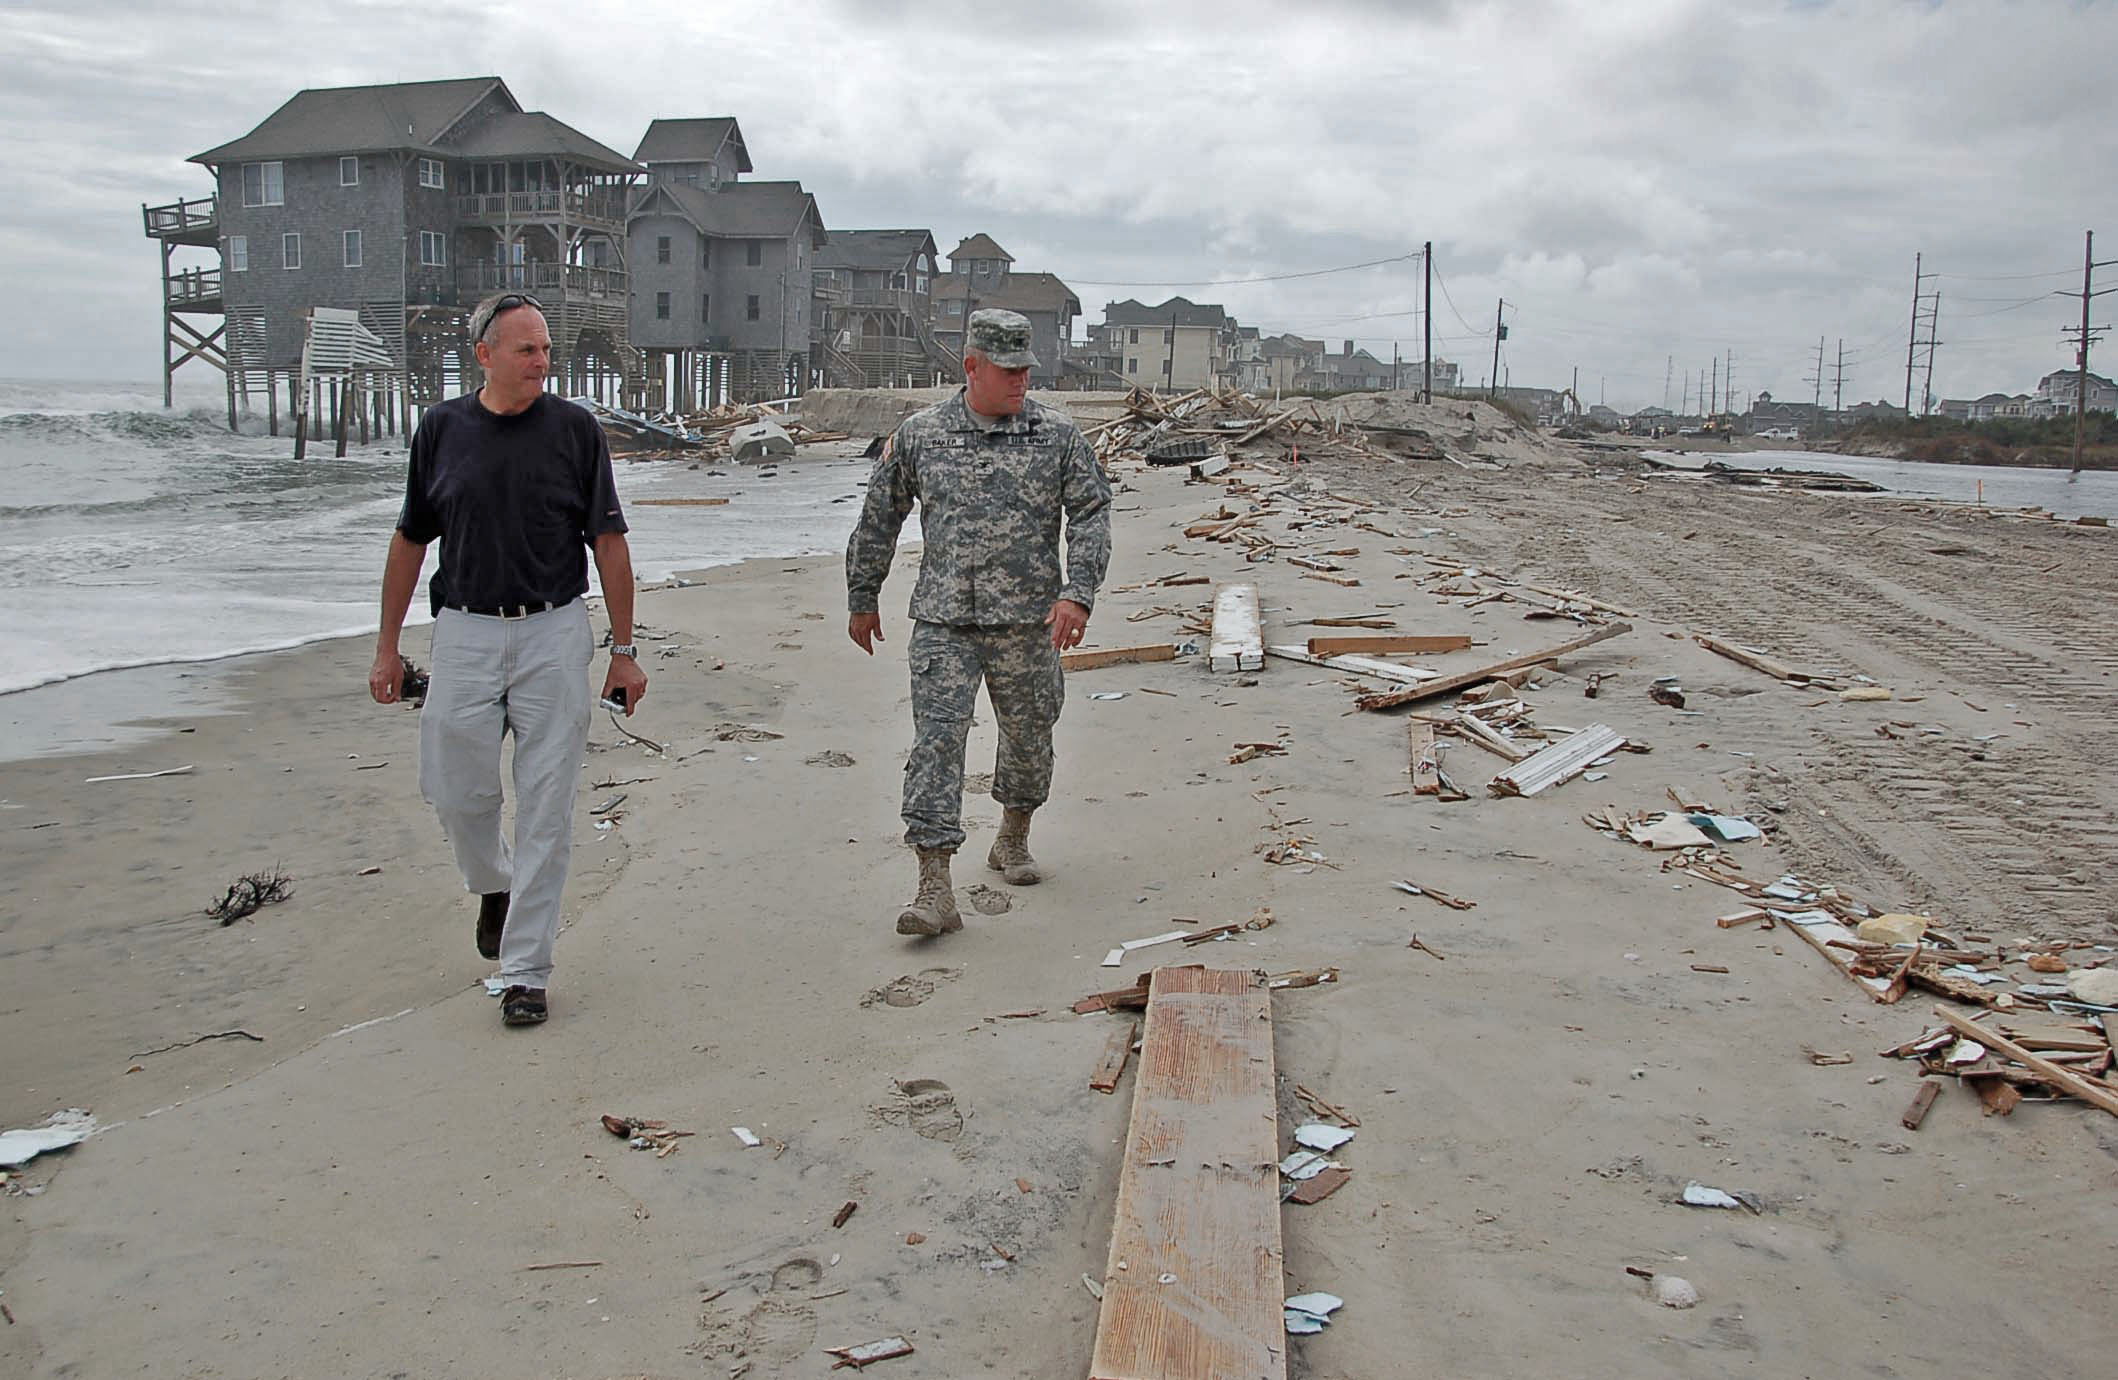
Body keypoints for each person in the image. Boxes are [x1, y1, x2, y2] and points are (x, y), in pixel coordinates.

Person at [366, 292, 647, 1026]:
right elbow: (409, 541)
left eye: (547, 349)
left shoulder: (575, 431)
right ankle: (495, 882)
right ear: (484, 355)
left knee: (547, 806)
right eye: (526, 350)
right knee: (455, 791)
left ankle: (525, 972)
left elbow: (609, 543)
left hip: (554, 632)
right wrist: (386, 647)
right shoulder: (442, 429)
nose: (542, 362)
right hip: (463, 632)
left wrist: (624, 651)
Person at [845, 308, 1112, 936]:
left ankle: (1012, 837)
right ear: (971, 366)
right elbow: (880, 515)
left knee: (1028, 735)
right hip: (944, 621)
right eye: (1008, 369)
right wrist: (863, 593)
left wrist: (1078, 593)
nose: (1021, 380)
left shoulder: (1058, 437)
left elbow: (1093, 512)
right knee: (937, 744)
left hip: (1029, 622)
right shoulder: (920, 435)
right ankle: (934, 887)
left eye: (1026, 369)